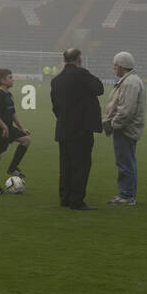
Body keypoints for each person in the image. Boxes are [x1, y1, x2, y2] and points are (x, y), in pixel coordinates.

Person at [50, 48, 104, 211]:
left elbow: (55, 107)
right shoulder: (82, 74)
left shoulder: (56, 80)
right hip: (81, 128)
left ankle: (65, 197)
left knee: (65, 165)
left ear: (65, 59)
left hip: (63, 127)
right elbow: (99, 89)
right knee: (81, 165)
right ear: (79, 59)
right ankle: (77, 200)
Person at [103, 51, 146, 205]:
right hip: (127, 128)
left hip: (125, 130)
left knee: (125, 163)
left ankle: (127, 196)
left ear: (121, 66)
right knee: (127, 162)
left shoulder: (129, 83)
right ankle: (127, 194)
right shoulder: (130, 80)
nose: (114, 68)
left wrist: (114, 125)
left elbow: (126, 110)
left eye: (115, 65)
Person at [0, 68, 32, 195]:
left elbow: (12, 113)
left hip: (7, 127)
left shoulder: (9, 95)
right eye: (10, 77)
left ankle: (12, 168)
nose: (13, 79)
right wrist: (5, 127)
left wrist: (22, 128)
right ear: (2, 80)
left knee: (26, 140)